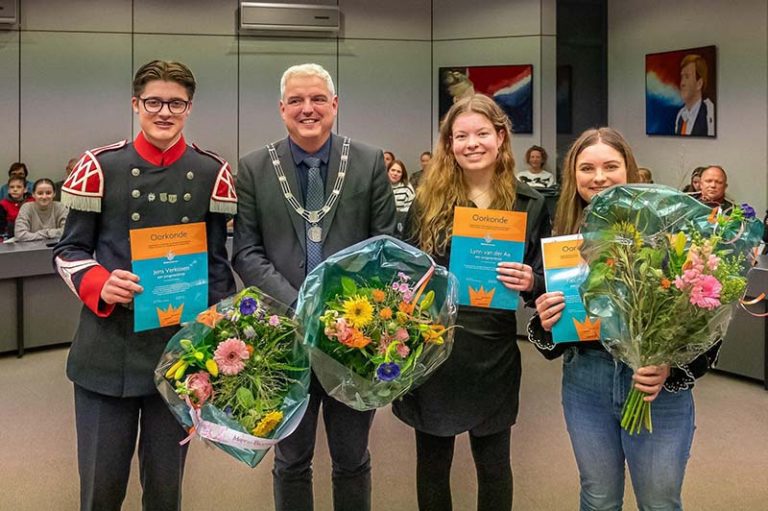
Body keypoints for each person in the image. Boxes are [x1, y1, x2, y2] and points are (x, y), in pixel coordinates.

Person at [53, 59, 237, 511]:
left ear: (189, 108)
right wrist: (99, 281)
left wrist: (219, 332)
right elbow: (67, 251)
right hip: (107, 348)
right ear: (136, 104)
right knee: (101, 488)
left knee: (166, 490)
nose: (164, 112)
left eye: (176, 103)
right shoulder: (100, 165)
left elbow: (216, 266)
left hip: (176, 354)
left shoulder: (211, 170)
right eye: (153, 101)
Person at [232, 63, 396, 511]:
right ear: (282, 109)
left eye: (318, 99)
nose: (309, 109)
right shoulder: (252, 168)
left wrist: (340, 312)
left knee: (351, 458)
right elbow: (246, 252)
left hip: (354, 340)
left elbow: (386, 247)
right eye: (298, 101)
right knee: (290, 459)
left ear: (335, 105)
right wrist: (302, 307)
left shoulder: (367, 161)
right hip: (285, 338)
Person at [528, 127, 719, 511]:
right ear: (573, 176)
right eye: (587, 168)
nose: (598, 177)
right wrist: (545, 323)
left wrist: (672, 366)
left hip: (654, 388)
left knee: (659, 501)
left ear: (628, 170)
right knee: (598, 499)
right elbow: (553, 331)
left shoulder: (666, 228)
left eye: (610, 166)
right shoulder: (565, 234)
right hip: (586, 383)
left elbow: (705, 314)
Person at [392, 94, 550, 511]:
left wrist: (532, 279)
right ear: (449, 144)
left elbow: (545, 281)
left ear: (501, 137)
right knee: (432, 464)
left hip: (493, 353)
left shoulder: (530, 204)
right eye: (460, 136)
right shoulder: (426, 202)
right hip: (433, 349)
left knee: (495, 464)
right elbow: (404, 273)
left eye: (482, 133)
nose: (471, 143)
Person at [674, 54, 715, 136]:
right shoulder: (680, 115)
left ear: (699, 84)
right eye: (682, 77)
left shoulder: (710, 112)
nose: (682, 83)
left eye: (687, 77)